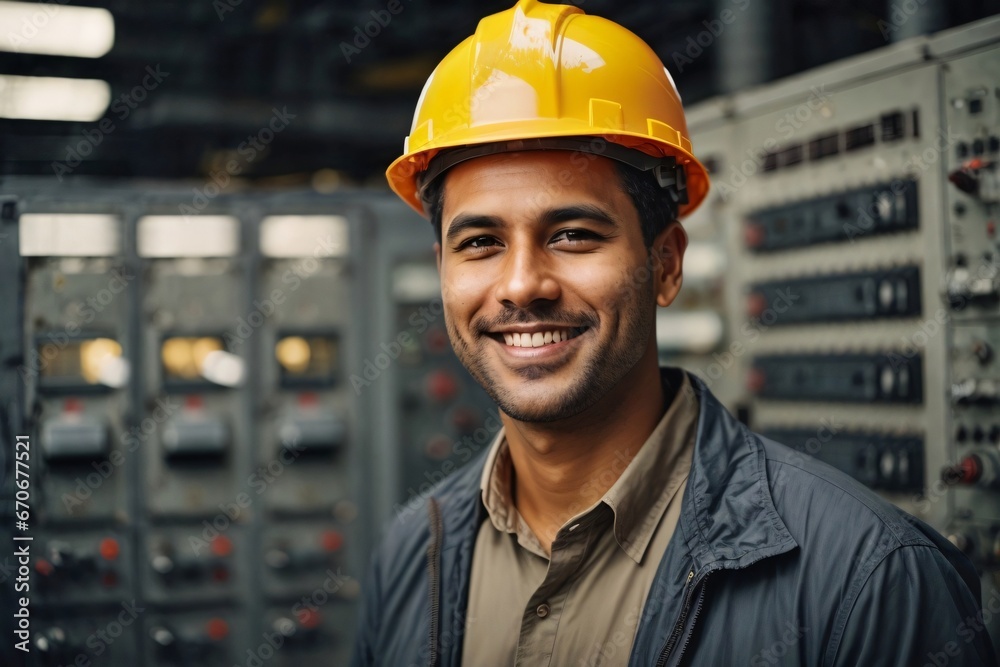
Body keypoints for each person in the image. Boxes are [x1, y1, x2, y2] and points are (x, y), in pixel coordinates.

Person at [352, 1, 998, 665]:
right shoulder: (410, 554)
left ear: (665, 264)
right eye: (481, 241)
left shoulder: (872, 581)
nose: (522, 284)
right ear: (442, 272)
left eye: (573, 234)